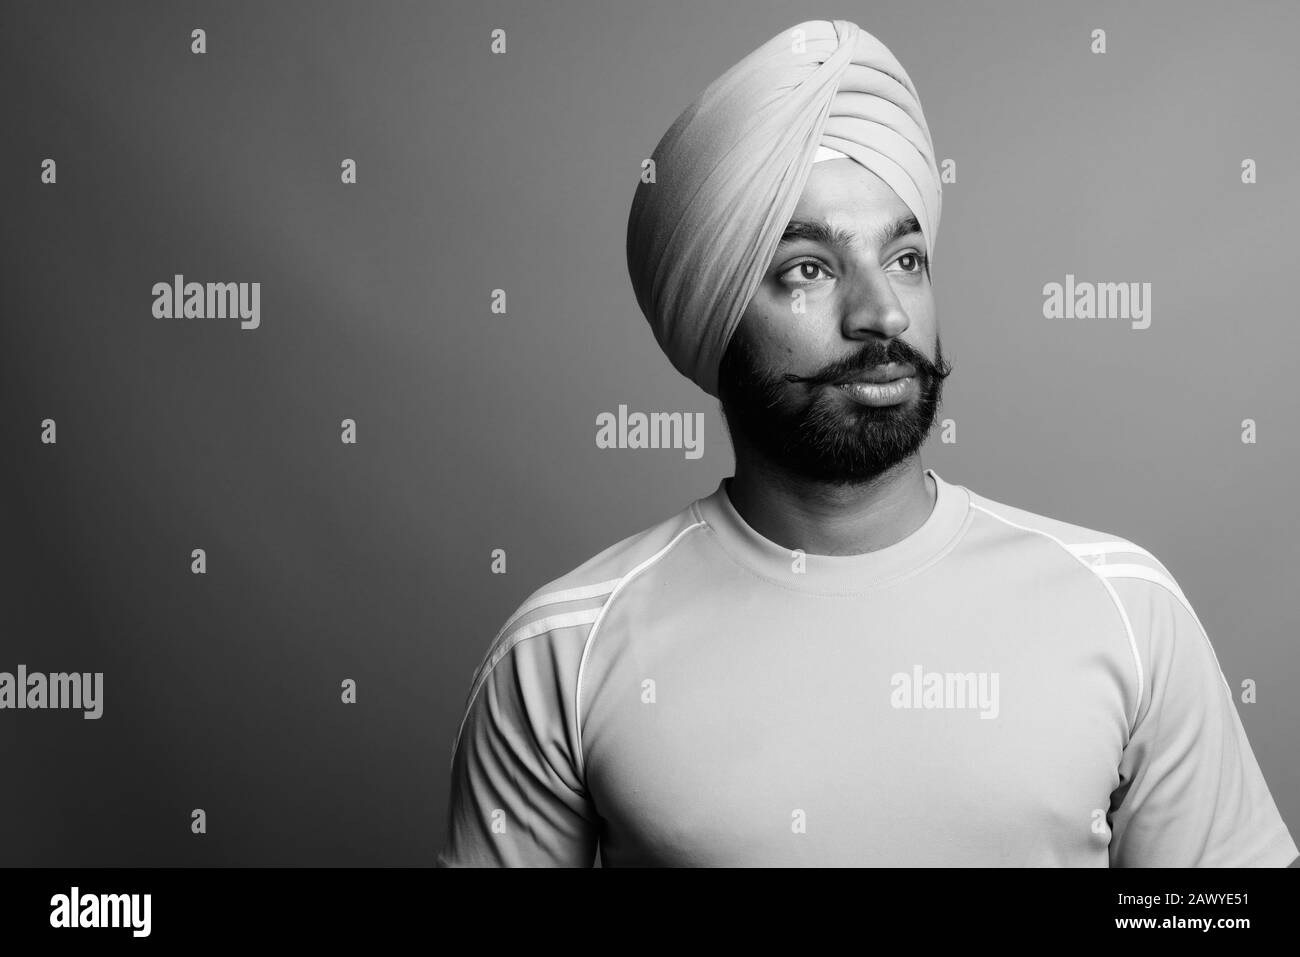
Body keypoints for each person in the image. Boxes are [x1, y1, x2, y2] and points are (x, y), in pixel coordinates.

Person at [436, 19, 1298, 867]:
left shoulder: (1128, 610)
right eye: (807, 267)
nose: (882, 314)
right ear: (711, 315)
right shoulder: (560, 653)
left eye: (907, 259)